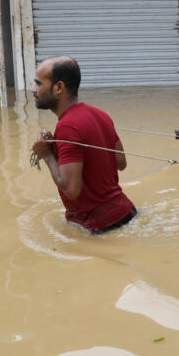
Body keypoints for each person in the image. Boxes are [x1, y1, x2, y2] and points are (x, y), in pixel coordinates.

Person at [31, 56, 136, 234]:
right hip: (127, 212)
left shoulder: (66, 127)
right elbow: (121, 162)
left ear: (59, 88)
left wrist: (47, 154)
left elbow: (71, 189)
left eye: (38, 83)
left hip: (101, 226)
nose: (33, 89)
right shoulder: (100, 114)